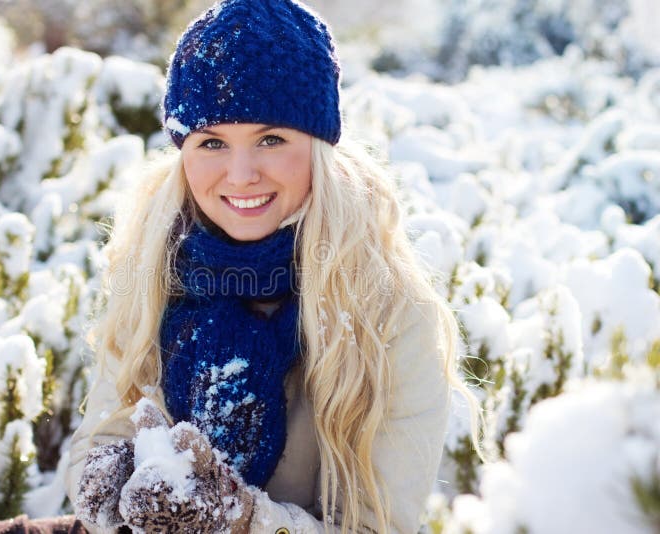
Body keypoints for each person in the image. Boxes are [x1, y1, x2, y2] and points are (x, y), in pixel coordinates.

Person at [62, 1, 483, 533]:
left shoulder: (390, 310)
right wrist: (108, 483)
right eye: (212, 142)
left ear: (319, 147)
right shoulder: (156, 267)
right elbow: (99, 437)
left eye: (270, 139)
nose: (241, 175)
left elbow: (377, 526)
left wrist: (238, 518)